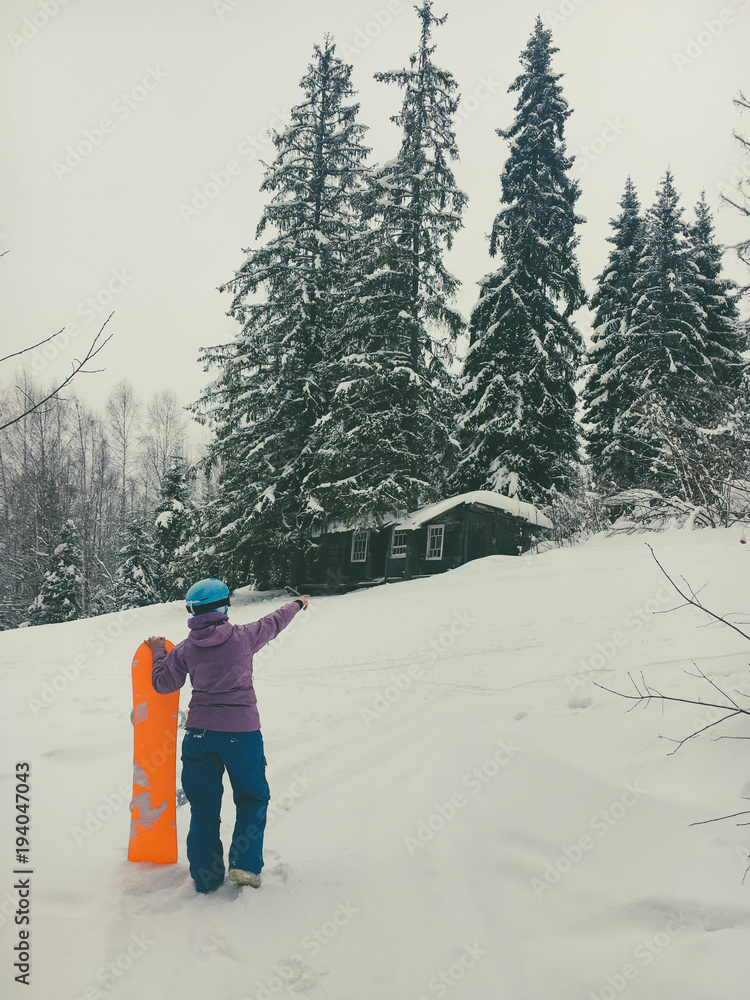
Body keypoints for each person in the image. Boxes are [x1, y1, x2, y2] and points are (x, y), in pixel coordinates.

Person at [145, 577, 309, 894]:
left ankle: (206, 877)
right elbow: (275, 621)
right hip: (241, 734)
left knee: (203, 807)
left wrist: (158, 652)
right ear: (223, 607)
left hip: (199, 736)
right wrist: (298, 603)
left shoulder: (185, 649)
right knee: (252, 798)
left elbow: (163, 684)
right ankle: (245, 866)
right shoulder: (244, 637)